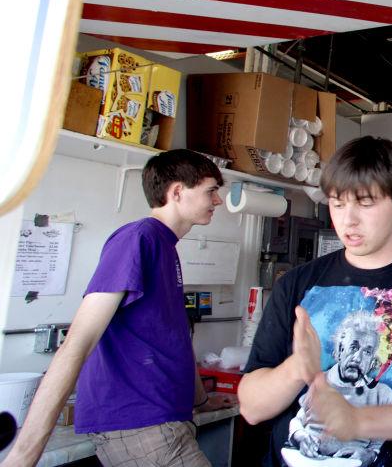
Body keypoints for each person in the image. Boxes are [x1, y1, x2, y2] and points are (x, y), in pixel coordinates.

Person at [238, 136, 392, 467]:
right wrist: (297, 367)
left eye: (365, 203)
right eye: (337, 204)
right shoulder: (296, 285)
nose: (347, 220)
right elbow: (251, 408)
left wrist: (358, 422)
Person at [2, 149, 232, 467]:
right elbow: (77, 343)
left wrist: (200, 401)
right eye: (211, 190)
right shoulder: (138, 239)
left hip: (164, 419)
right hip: (140, 425)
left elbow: (172, 339)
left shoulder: (165, 247)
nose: (217, 200)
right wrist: (23, 456)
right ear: (178, 192)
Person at [287, 311, 392, 466]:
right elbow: (298, 420)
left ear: (372, 362)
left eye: (367, 352)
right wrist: (300, 436)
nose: (357, 358)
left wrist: (369, 455)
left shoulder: (382, 394)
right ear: (338, 351)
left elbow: (379, 445)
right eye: (353, 347)